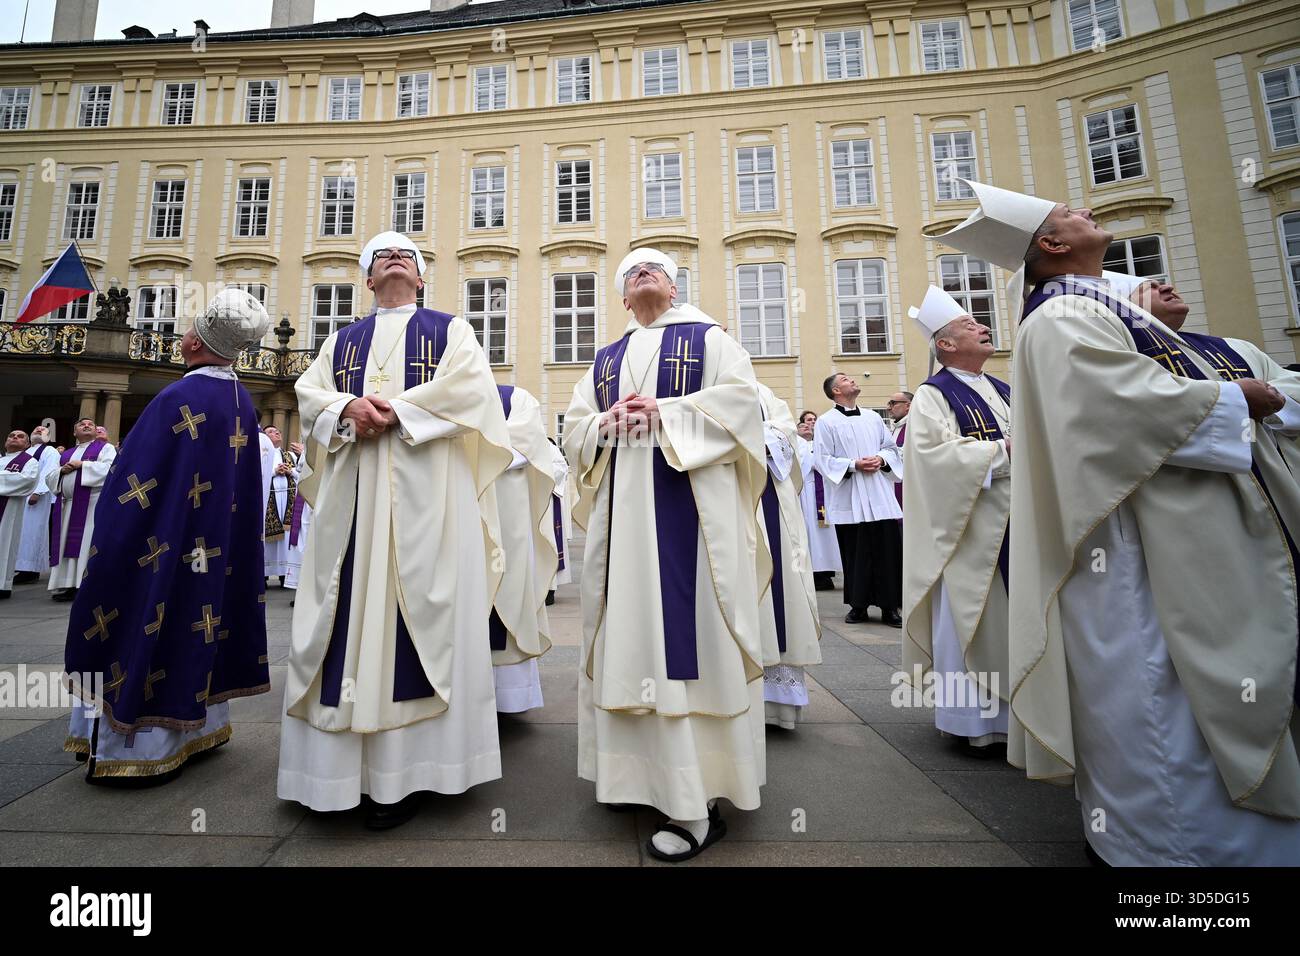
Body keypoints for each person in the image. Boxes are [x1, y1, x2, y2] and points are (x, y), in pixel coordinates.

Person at [937, 178, 1300, 864]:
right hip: (1137, 546)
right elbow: (1113, 410)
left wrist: (1249, 395)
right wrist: (1234, 401)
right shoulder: (1058, 317)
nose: (1084, 209)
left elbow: (1213, 390)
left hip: (1200, 530)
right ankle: (1167, 854)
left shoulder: (1109, 309)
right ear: (1050, 244)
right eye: (1069, 213)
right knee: (1167, 696)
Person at [277, 230, 513, 830]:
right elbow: (311, 395)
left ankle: (407, 774)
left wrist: (395, 410)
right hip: (352, 498)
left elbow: (470, 391)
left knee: (419, 617)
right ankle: (335, 774)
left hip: (429, 497)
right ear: (367, 279)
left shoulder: (451, 329)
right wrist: (343, 409)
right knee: (345, 614)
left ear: (422, 276)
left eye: (406, 254)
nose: (395, 260)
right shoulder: (341, 339)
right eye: (381, 256)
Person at [563, 246, 767, 862]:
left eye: (655, 270)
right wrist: (604, 424)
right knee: (627, 637)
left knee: (689, 641)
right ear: (623, 297)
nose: (643, 274)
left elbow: (742, 406)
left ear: (673, 289)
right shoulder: (604, 360)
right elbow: (573, 430)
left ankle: (695, 799)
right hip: (622, 528)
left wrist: (668, 412)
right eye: (631, 273)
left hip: (694, 527)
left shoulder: (710, 342)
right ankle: (635, 776)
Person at [61, 289, 272, 784]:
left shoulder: (177, 397)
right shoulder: (241, 399)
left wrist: (114, 541)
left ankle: (135, 742)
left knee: (145, 618)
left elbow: (132, 481)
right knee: (199, 619)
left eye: (186, 330)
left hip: (162, 546)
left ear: (196, 344)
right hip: (210, 551)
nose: (180, 337)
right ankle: (197, 729)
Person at [901, 286, 1011, 757]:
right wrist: (1003, 451)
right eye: (969, 325)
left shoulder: (1004, 388)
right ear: (944, 345)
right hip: (969, 529)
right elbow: (930, 458)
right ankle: (974, 722)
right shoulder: (931, 396)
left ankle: (1020, 719)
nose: (983, 327)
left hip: (1016, 520)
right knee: (974, 616)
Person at [755, 385, 822, 730]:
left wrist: (746, 439)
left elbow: (785, 433)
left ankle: (774, 703)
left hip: (766, 499)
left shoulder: (761, 393)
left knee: (778, 591)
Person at [813, 373, 903, 626]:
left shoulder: (874, 417)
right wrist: (854, 464)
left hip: (878, 493)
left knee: (886, 552)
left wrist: (882, 459)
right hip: (850, 495)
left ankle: (890, 607)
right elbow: (822, 459)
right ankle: (858, 605)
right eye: (845, 379)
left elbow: (890, 447)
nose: (852, 380)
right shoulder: (827, 422)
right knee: (856, 552)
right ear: (835, 391)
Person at [489, 383, 557, 714]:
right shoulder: (432, 392)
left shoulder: (514, 398)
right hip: (452, 511)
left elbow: (526, 447)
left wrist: (467, 448)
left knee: (508, 591)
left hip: (506, 514)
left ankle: (508, 696)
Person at [47, 418, 116, 602]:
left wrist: (83, 465)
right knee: (65, 544)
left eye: (90, 425)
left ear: (95, 431)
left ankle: (84, 584)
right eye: (81, 424)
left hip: (91, 504)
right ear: (74, 432)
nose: (86, 426)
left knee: (86, 542)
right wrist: (62, 471)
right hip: (68, 505)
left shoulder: (105, 448)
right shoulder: (67, 453)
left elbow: (110, 469)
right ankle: (69, 584)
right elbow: (49, 477)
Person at [794, 411, 840, 591]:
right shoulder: (796, 443)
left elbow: (825, 462)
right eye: (806, 422)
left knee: (825, 535)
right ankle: (806, 573)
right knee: (806, 532)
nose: (810, 425)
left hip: (824, 494)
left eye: (813, 421)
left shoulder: (821, 442)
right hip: (805, 491)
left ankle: (825, 574)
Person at [14, 424, 60, 585]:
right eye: (36, 429)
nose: (39, 430)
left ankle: (30, 569)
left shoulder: (49, 451)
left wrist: (38, 492)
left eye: (43, 430)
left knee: (32, 532)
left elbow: (49, 471)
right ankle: (19, 565)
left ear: (48, 436)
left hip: (36, 498)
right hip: (20, 497)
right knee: (20, 532)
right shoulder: (24, 452)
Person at [0, 430, 42, 599]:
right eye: (11, 436)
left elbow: (27, 481)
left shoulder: (29, 462)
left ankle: (2, 584)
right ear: (5, 442)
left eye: (20, 437)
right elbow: (13, 478)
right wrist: (8, 477)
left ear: (27, 445)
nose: (15, 438)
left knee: (5, 543)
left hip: (9, 510)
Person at [260, 425, 300, 586]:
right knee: (268, 539)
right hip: (269, 499)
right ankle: (264, 575)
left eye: (278, 431)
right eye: (270, 431)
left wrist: (290, 472)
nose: (276, 432)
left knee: (286, 538)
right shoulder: (262, 453)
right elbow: (258, 475)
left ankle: (285, 575)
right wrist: (275, 471)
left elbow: (300, 475)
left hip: (288, 500)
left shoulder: (289, 455)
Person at [886, 392, 911, 509]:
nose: (888, 407)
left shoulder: (915, 426)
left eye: (893, 403)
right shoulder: (895, 428)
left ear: (908, 406)